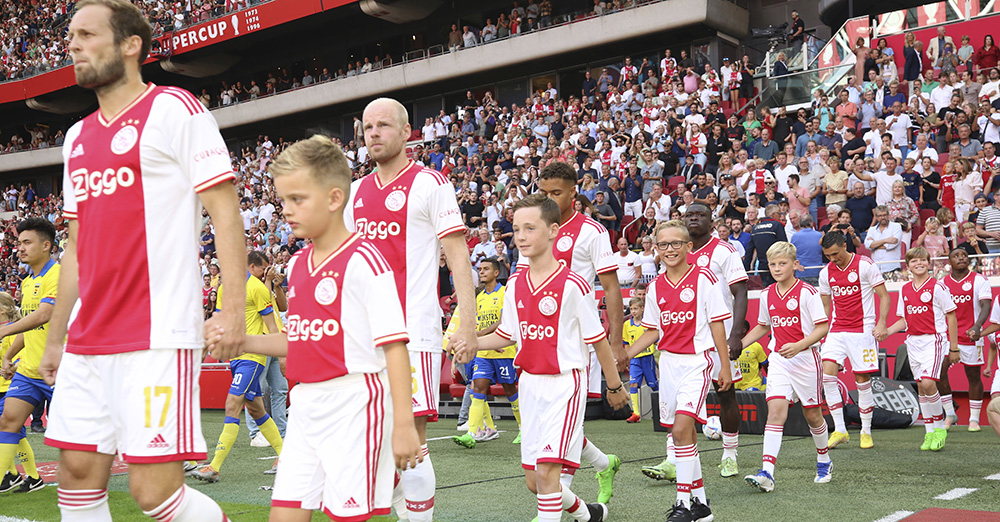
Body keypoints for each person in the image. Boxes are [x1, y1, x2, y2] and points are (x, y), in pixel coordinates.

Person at [38, 2, 248, 520]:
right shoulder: (76, 138)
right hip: (89, 338)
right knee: (77, 475)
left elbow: (225, 213)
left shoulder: (175, 109)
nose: (72, 44)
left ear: (130, 44)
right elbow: (75, 250)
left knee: (155, 495)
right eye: (70, 35)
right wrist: (58, 336)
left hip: (156, 333)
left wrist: (233, 309)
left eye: (87, 34)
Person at [205, 135, 421, 520]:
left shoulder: (365, 261)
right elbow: (299, 341)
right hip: (305, 405)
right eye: (283, 200)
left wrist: (403, 424)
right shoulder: (298, 265)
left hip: (355, 403)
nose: (286, 209)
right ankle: (394, 488)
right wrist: (241, 340)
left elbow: (394, 347)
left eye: (297, 199)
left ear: (335, 199)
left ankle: (395, 488)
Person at [344, 97, 480, 522]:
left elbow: (457, 255)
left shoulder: (430, 183)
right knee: (373, 443)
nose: (374, 134)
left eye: (384, 125)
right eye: (368, 128)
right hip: (364, 335)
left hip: (411, 331)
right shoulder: (354, 192)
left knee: (410, 440)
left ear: (406, 133)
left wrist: (468, 326)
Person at [457, 194, 627, 522]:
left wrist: (615, 385)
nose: (520, 236)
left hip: (566, 383)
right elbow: (507, 335)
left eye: (530, 228)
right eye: (516, 229)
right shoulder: (516, 284)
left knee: (548, 475)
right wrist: (472, 342)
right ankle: (588, 514)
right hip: (531, 385)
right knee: (536, 482)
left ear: (553, 231)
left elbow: (599, 341)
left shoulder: (574, 285)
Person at [526, 162, 627, 504]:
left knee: (563, 420)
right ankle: (603, 463)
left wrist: (616, 339)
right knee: (562, 422)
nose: (549, 198)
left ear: (574, 193)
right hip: (541, 338)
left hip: (577, 341)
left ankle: (551, 505)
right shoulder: (536, 229)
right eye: (544, 192)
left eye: (556, 193)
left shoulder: (592, 232)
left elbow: (611, 288)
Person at [625, 220, 732, 522]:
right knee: (683, 436)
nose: (670, 249)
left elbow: (717, 324)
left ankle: (683, 505)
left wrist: (724, 365)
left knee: (681, 430)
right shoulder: (655, 286)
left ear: (688, 247)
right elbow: (652, 331)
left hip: (698, 361)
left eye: (676, 243)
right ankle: (700, 504)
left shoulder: (704, 278)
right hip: (667, 363)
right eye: (663, 245)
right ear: (655, 250)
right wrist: (625, 353)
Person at [741, 242, 832, 492]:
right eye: (772, 264)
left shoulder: (807, 292)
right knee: (775, 413)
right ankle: (767, 472)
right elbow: (763, 326)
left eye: (783, 263)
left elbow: (822, 327)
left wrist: (799, 345)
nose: (777, 268)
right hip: (779, 360)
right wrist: (737, 346)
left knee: (812, 415)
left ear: (795, 264)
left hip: (806, 360)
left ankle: (824, 459)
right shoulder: (767, 293)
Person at [191, 252, 285, 482]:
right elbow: (220, 322)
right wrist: (205, 350)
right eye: (263, 269)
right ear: (252, 266)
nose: (266, 273)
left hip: (253, 357)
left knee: (232, 404)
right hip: (236, 357)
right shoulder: (224, 289)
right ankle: (286, 456)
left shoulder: (258, 288)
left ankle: (214, 466)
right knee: (256, 410)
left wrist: (282, 356)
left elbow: (272, 326)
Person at [0, 219, 58, 494]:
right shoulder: (27, 282)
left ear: (46, 245)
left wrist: (3, 331)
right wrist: (10, 354)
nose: (19, 248)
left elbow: (45, 315)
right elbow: (30, 325)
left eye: (27, 242)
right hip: (30, 371)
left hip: (62, 370)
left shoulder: (58, 274)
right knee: (8, 420)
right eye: (18, 243)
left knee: (77, 438)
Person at [818, 232, 891, 450]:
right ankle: (840, 429)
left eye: (835, 254)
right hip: (837, 330)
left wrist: (882, 323)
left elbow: (884, 297)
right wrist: (820, 333)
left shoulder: (865, 265)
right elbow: (825, 307)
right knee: (827, 376)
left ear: (844, 246)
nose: (832, 259)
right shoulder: (825, 273)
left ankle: (865, 431)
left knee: (862, 380)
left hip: (863, 331)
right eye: (828, 255)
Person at [886, 247, 958, 451]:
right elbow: (903, 320)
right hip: (913, 342)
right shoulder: (905, 289)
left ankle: (939, 427)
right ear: (907, 266)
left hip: (933, 340)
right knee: (921, 387)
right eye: (914, 261)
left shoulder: (937, 287)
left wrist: (954, 347)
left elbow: (951, 316)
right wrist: (886, 332)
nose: (919, 263)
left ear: (929, 263)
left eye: (922, 260)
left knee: (928, 383)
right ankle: (928, 433)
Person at [451, 258, 522, 448]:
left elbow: (504, 321)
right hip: (483, 353)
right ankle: (472, 433)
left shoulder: (505, 292)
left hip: (503, 351)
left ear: (496, 273)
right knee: (477, 388)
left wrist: (481, 335)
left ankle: (524, 428)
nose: (481, 272)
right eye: (479, 269)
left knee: (510, 390)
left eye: (486, 269)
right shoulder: (479, 296)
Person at [937, 248, 991, 432]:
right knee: (939, 372)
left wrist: (977, 326)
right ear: (949, 261)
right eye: (956, 256)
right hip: (946, 337)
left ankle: (974, 419)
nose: (961, 258)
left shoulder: (979, 280)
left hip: (971, 336)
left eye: (964, 255)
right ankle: (950, 413)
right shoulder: (942, 283)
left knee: (973, 376)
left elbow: (986, 305)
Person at [623, 296, 657, 424]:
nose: (633, 311)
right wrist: (627, 358)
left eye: (636, 308)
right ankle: (636, 413)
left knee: (653, 385)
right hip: (635, 361)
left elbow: (655, 340)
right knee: (633, 383)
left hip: (648, 358)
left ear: (642, 309)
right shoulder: (627, 324)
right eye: (631, 309)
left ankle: (659, 411)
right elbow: (626, 343)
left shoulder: (648, 323)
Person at [745, 204, 788, 287]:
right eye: (779, 214)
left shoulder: (755, 228)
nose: (780, 216)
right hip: (778, 267)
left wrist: (746, 269)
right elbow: (784, 246)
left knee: (767, 292)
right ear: (773, 215)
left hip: (763, 267)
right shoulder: (777, 225)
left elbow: (749, 250)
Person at [864, 206, 905, 275]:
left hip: (892, 267)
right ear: (876, 217)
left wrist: (874, 244)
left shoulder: (896, 226)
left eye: (884, 215)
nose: (882, 217)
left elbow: (892, 245)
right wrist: (886, 240)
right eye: (880, 216)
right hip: (876, 267)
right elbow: (867, 245)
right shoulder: (872, 229)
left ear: (888, 215)